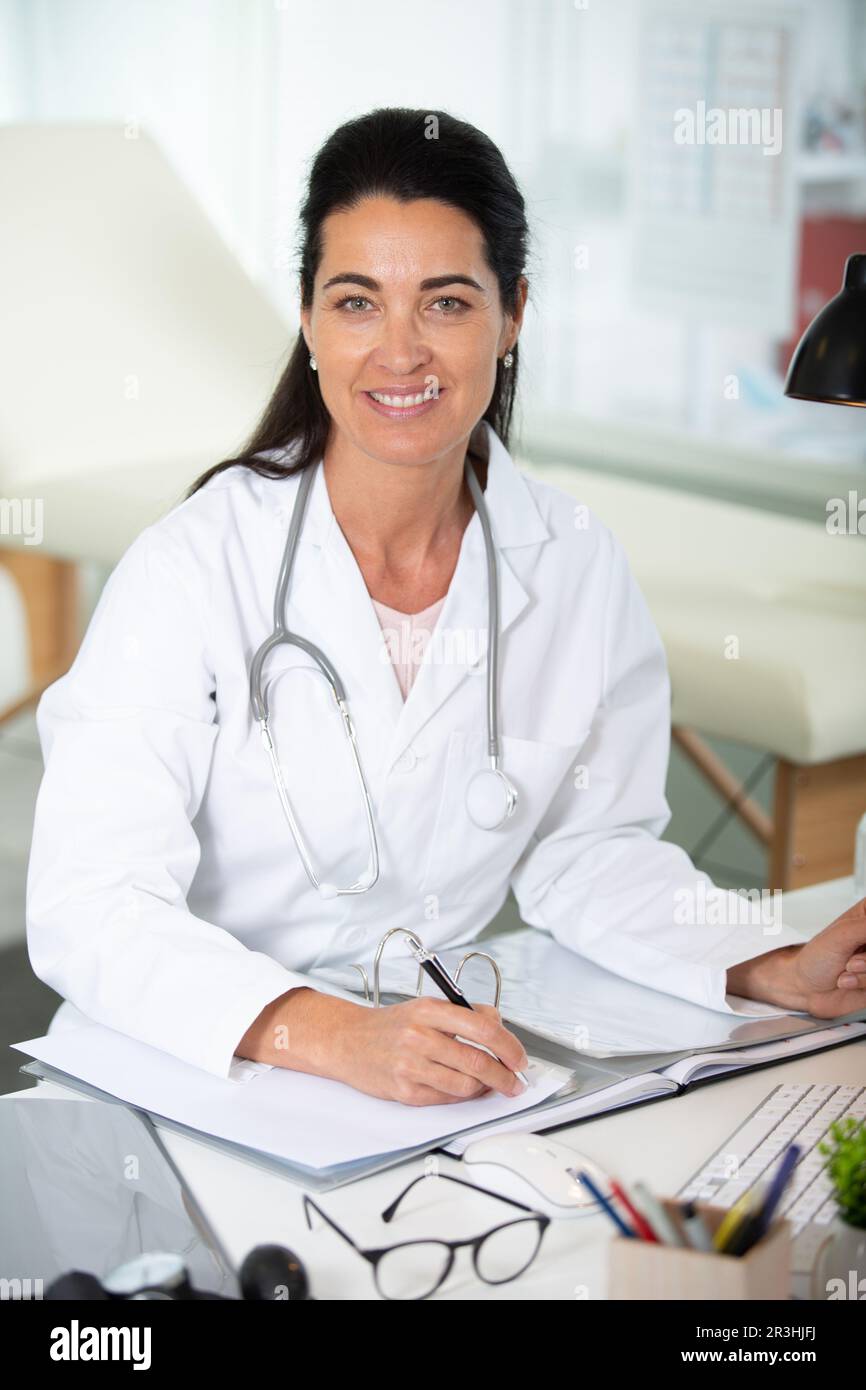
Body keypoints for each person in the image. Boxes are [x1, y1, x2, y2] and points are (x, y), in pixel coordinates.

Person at [26, 108, 866, 1107]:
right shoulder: (192, 568)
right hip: (187, 1067)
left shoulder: (572, 566)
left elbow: (589, 853)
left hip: (428, 1074)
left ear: (512, 314)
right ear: (304, 317)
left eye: (446, 303)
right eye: (355, 302)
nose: (398, 351)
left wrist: (764, 964)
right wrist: (331, 1035)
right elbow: (90, 903)